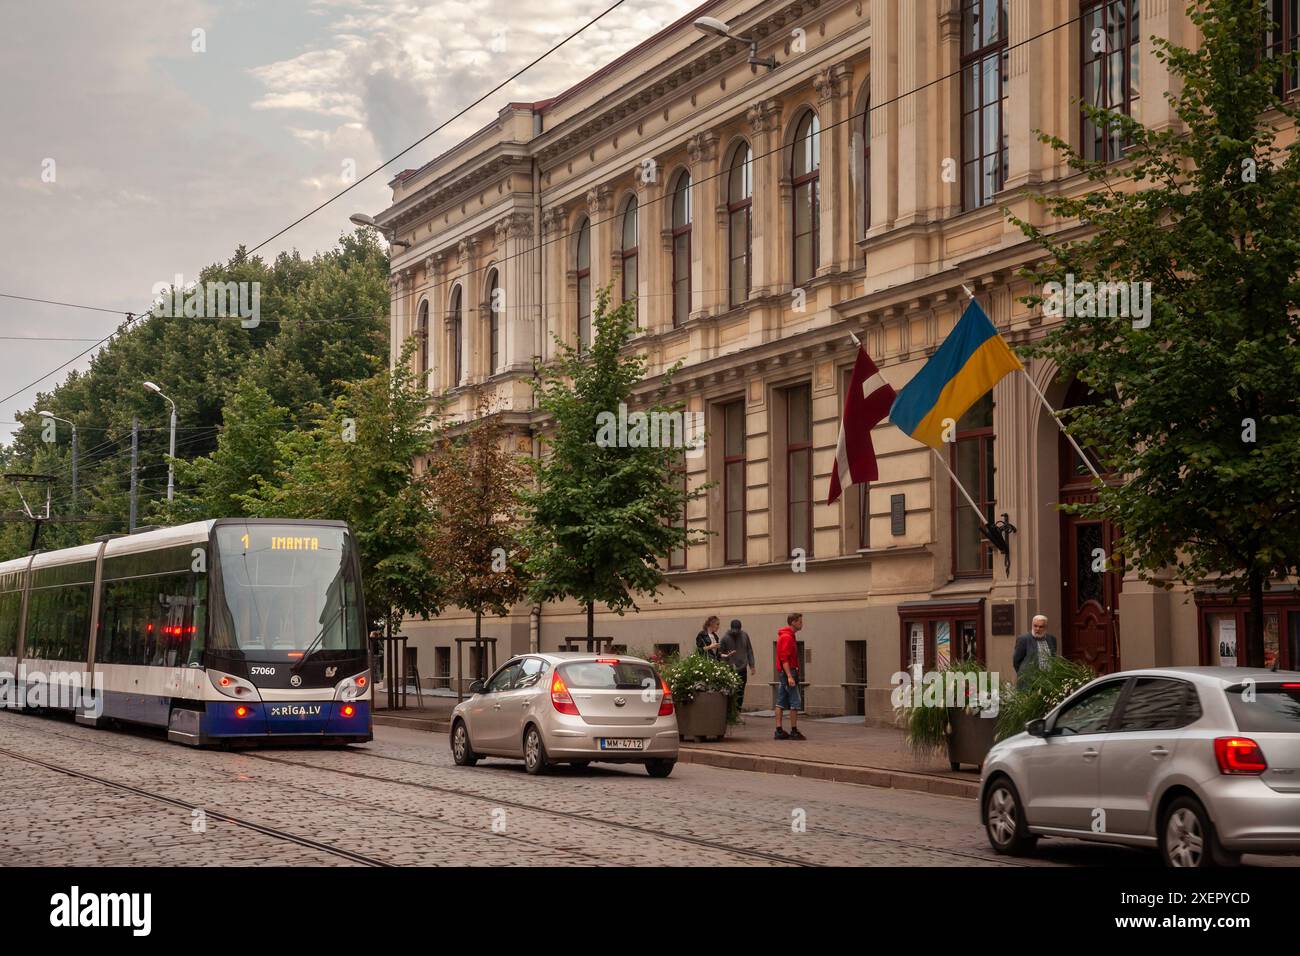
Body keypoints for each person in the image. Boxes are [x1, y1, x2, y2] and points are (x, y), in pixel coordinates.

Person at [774, 612, 805, 740]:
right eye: (800, 621)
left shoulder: (788, 636)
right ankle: (793, 730)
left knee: (781, 701)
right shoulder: (787, 637)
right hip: (789, 671)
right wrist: (789, 676)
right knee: (795, 702)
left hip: (785, 672)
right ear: (793, 622)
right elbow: (784, 658)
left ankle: (779, 730)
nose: (801, 624)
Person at [719, 618, 755, 715]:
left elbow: (749, 650)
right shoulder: (725, 638)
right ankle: (731, 712)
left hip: (742, 667)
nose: (736, 632)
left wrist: (752, 665)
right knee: (731, 691)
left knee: (741, 690)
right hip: (730, 668)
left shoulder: (744, 636)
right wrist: (725, 665)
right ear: (731, 629)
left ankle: (738, 711)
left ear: (740, 629)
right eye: (734, 630)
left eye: (737, 630)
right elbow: (720, 654)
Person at [1012, 614, 1058, 679]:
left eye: (1041, 627)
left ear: (1046, 627)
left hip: (1048, 679)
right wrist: (1024, 675)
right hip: (1029, 680)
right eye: (1035, 626)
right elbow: (1016, 661)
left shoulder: (1052, 639)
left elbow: (1053, 658)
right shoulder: (1024, 639)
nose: (1037, 629)